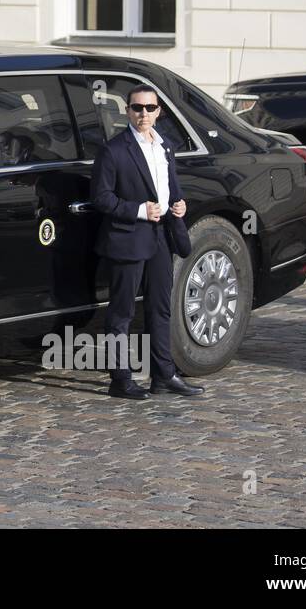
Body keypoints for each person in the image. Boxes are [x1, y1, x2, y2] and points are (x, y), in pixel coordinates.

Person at [89, 84, 201, 400]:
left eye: (150, 108)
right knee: (122, 312)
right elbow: (101, 197)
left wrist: (179, 204)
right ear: (127, 110)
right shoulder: (113, 150)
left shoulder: (165, 146)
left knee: (160, 308)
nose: (143, 114)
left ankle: (163, 375)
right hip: (128, 237)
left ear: (158, 111)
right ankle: (120, 379)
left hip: (162, 235)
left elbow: (170, 188)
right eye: (137, 107)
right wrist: (138, 210)